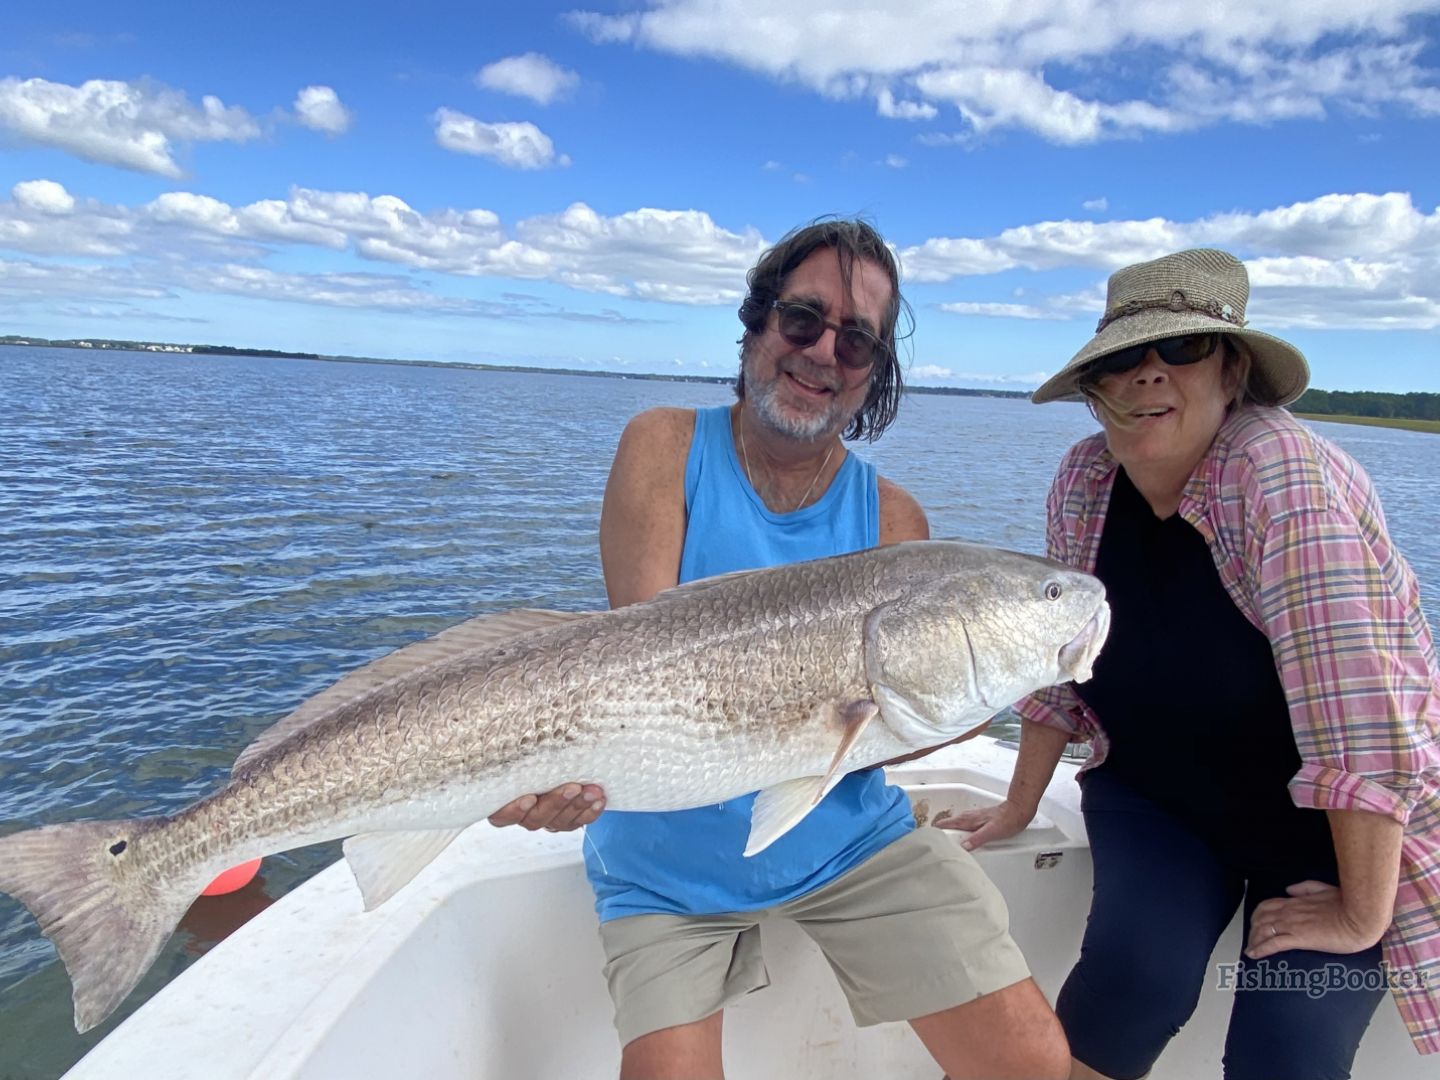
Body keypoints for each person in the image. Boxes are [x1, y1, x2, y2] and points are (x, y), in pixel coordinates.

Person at [489, 218, 1071, 1079]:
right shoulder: (664, 445)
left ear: (873, 374)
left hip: (849, 841)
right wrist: (542, 771)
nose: (823, 352)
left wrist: (980, 684)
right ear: (758, 324)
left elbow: (898, 721)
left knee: (1033, 1062)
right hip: (664, 864)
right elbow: (643, 675)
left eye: (858, 340)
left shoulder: (897, 524)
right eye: (803, 319)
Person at [943, 248, 1440, 1079]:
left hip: (1325, 835)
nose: (1148, 377)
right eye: (1120, 360)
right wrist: (1016, 806)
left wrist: (1359, 915)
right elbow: (1058, 670)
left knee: (1290, 1049)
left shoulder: (1282, 482)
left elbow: (1359, 717)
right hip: (1162, 798)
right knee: (1133, 980)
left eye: (1178, 350)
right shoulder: (1085, 481)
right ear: (1093, 386)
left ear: (1230, 368)